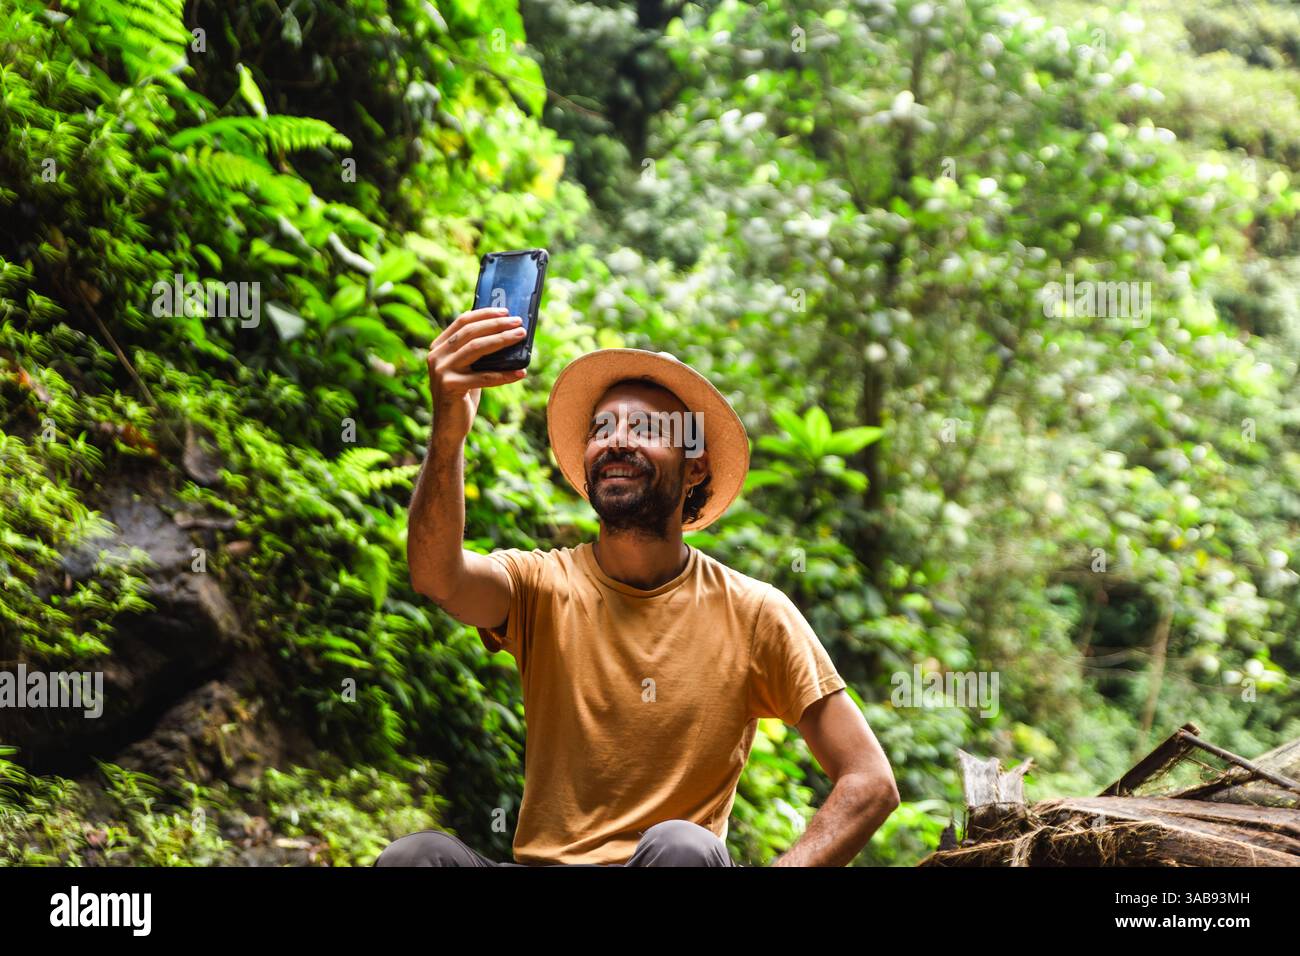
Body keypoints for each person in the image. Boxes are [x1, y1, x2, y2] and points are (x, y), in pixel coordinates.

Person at [377, 306, 899, 867]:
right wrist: (450, 430)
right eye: (601, 429)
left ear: (695, 468)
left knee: (682, 847)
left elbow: (869, 782)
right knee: (417, 857)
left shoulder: (754, 613)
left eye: (647, 429)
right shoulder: (540, 585)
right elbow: (438, 574)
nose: (616, 441)